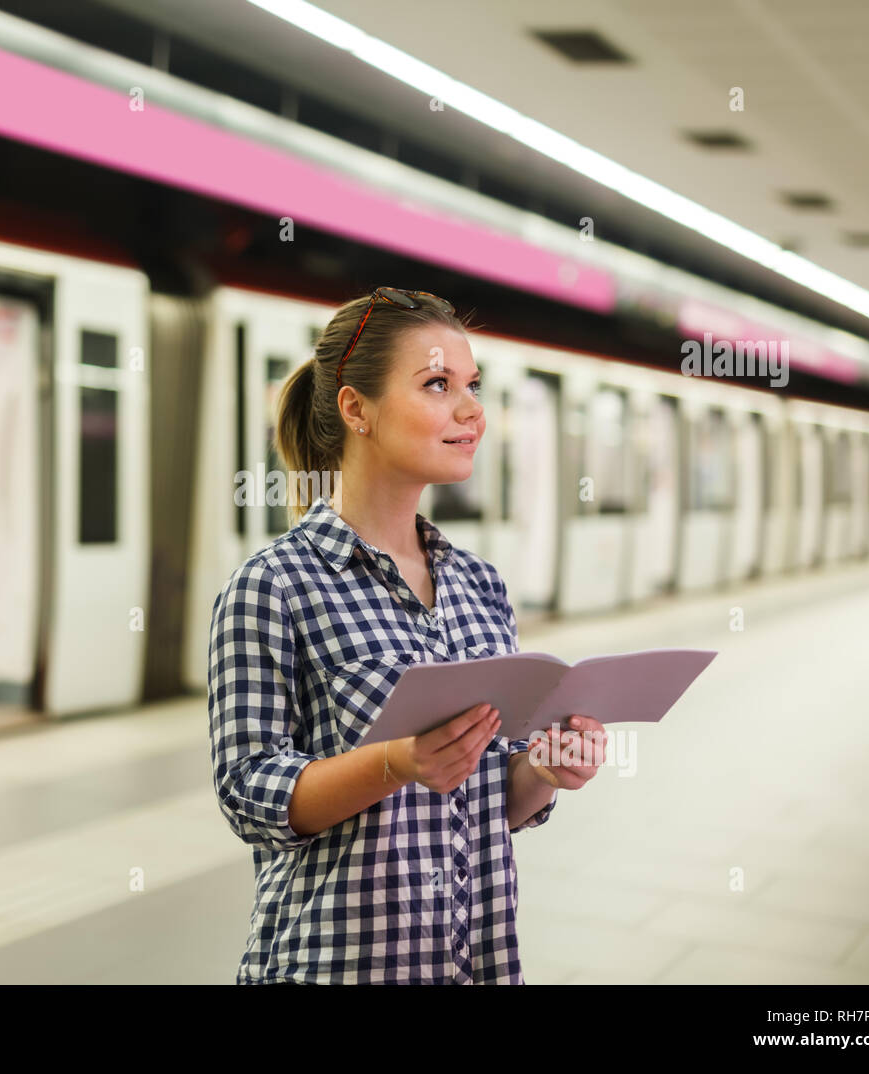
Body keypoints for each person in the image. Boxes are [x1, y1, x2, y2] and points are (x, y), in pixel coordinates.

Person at [207, 287, 607, 985]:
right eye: (436, 384)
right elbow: (248, 796)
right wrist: (394, 762)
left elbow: (488, 804)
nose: (472, 410)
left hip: (472, 964)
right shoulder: (273, 585)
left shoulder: (479, 587)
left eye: (472, 385)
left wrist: (542, 773)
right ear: (356, 409)